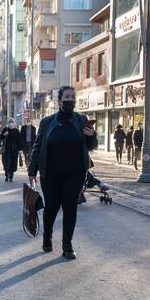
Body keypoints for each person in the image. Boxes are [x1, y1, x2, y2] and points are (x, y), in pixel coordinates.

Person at [27, 86, 97, 260]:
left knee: (70, 208)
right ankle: (47, 237)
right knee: (51, 207)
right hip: (50, 173)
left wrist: (91, 135)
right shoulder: (47, 122)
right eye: (67, 96)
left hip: (75, 172)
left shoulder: (81, 120)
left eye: (73, 97)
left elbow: (90, 146)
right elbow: (37, 146)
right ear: (59, 101)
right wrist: (32, 169)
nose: (70, 100)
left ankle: (67, 245)